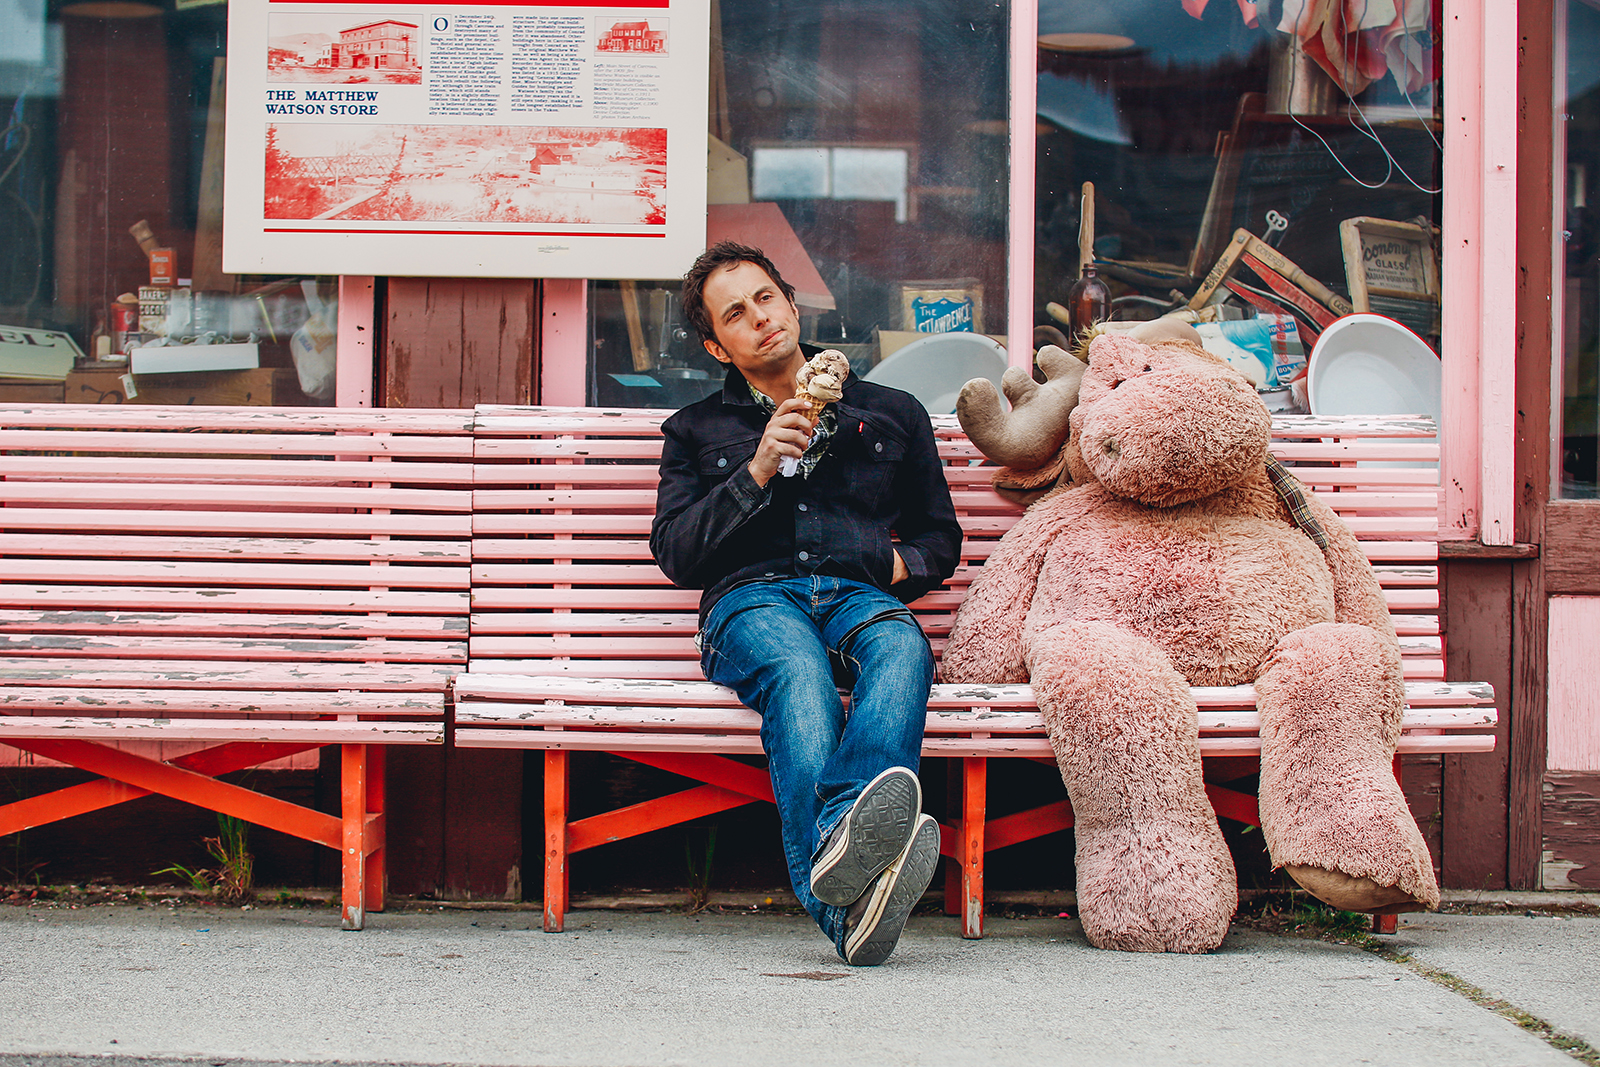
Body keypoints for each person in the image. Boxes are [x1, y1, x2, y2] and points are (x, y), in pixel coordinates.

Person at [651, 241, 963, 965]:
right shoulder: (694, 431)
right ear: (716, 347)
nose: (759, 318)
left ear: (791, 305)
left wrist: (893, 563)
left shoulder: (890, 412)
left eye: (766, 299)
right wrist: (756, 468)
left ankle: (843, 856)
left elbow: (937, 536)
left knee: (902, 646)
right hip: (750, 604)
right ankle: (847, 854)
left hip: (857, 595)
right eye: (735, 314)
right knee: (799, 672)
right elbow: (676, 553)